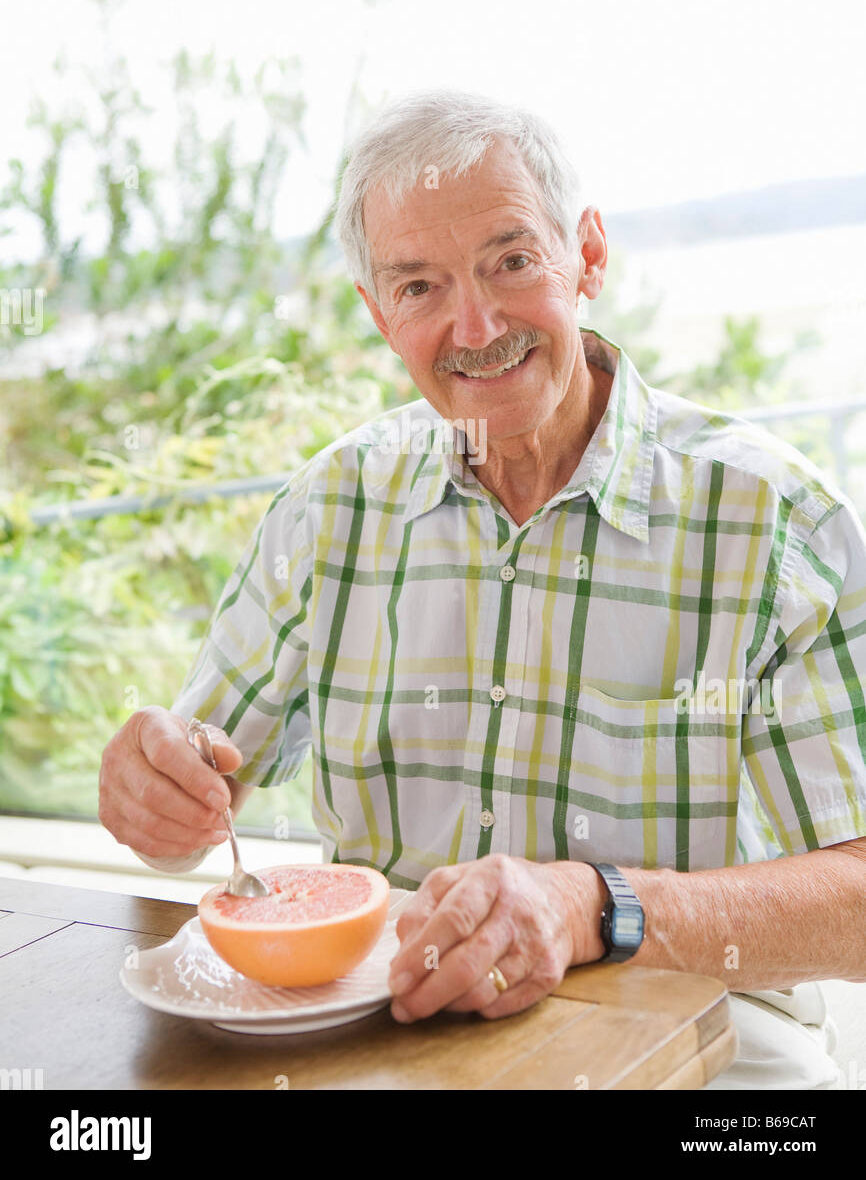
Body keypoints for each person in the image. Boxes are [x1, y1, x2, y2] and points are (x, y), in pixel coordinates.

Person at [99, 90, 866, 1089]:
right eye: (417, 285)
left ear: (586, 255)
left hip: (702, 1038)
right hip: (386, 1041)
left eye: (509, 261)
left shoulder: (773, 522)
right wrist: (159, 786)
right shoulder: (330, 507)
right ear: (379, 316)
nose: (475, 324)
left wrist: (597, 908)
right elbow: (205, 783)